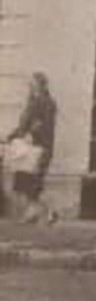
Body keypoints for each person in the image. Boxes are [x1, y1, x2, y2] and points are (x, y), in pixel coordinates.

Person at [5, 73, 57, 224]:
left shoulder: (45, 103)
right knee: (26, 183)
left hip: (37, 148)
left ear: (42, 85)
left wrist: (28, 134)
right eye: (30, 84)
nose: (31, 87)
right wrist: (11, 136)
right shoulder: (35, 102)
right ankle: (32, 214)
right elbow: (25, 125)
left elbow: (39, 125)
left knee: (32, 183)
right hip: (30, 147)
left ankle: (47, 212)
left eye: (33, 84)